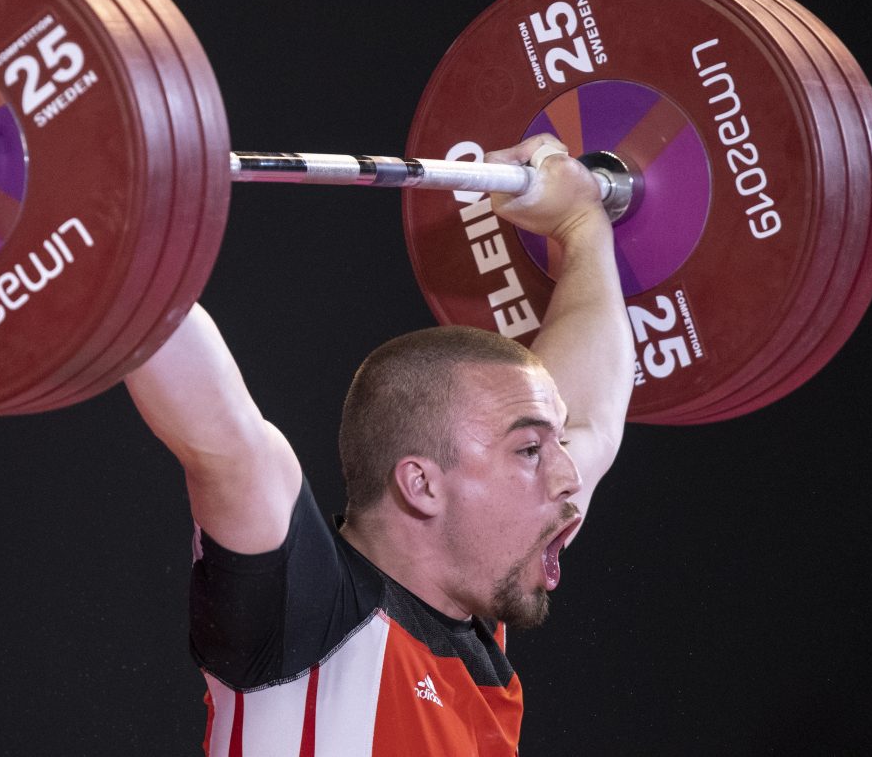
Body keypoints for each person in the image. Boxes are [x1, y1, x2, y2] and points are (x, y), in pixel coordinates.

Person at [124, 134, 634, 755]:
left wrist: (582, 225)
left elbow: (593, 424)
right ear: (422, 485)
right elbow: (224, 442)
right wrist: (103, 230)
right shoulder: (303, 615)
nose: (568, 475)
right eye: (529, 451)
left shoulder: (477, 599)